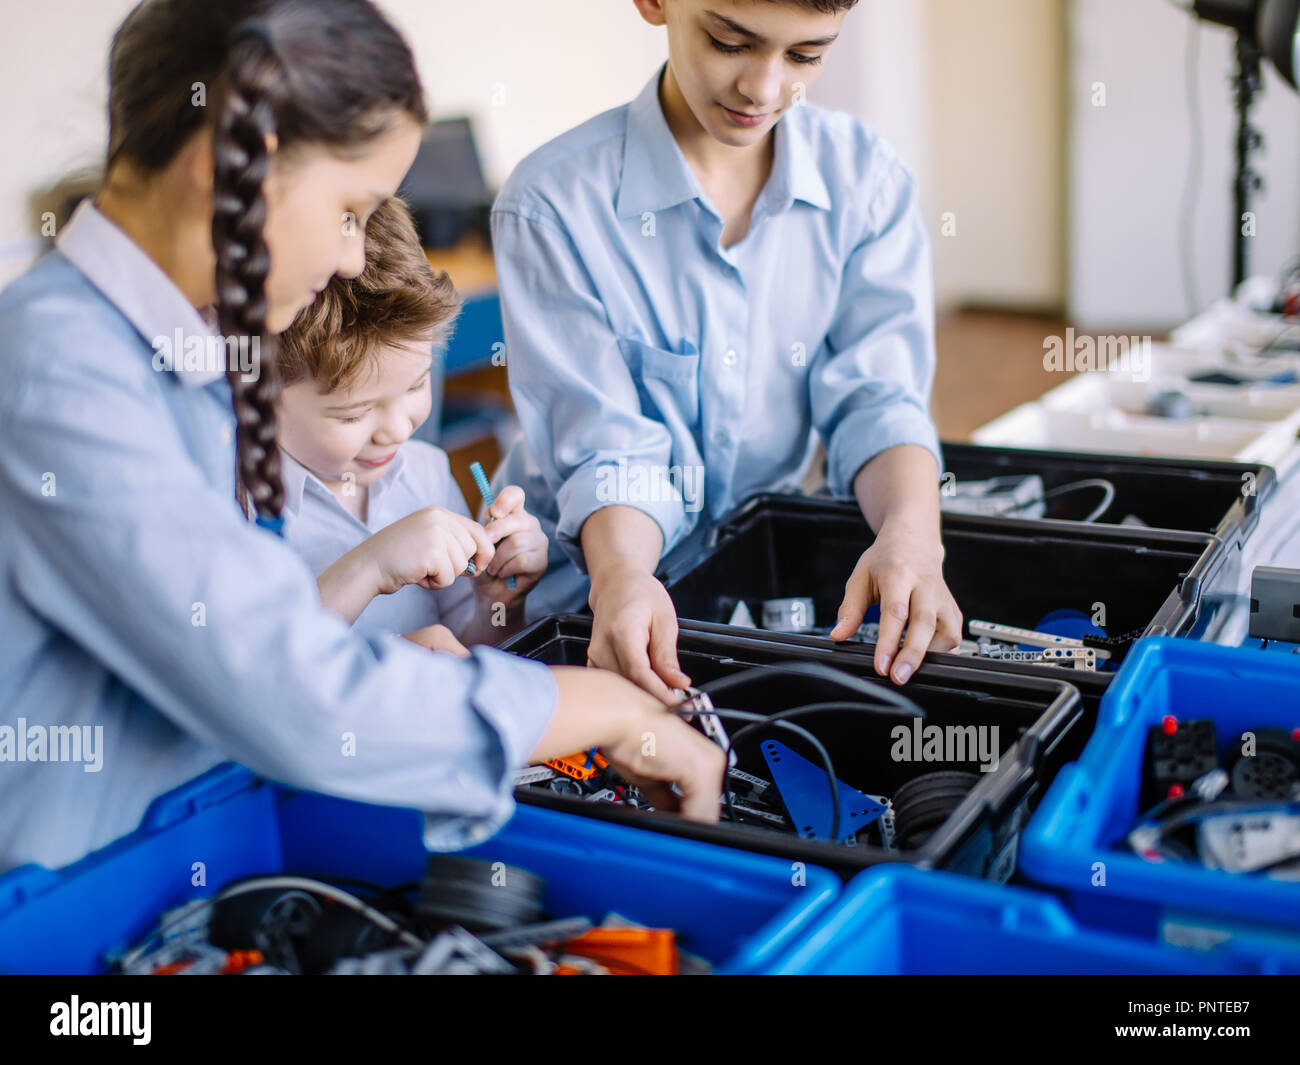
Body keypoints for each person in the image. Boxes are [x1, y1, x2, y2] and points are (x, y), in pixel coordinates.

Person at [0, 0, 722, 876]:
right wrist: (603, 707)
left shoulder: (174, 362)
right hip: (73, 900)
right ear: (234, 171)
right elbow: (293, 690)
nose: (352, 256)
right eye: (351, 209)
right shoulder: (55, 369)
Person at [491, 0, 963, 702]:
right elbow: (608, 452)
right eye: (729, 40)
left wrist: (912, 533)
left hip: (756, 591)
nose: (765, 89)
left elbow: (878, 401)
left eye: (805, 55)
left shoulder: (867, 182)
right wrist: (623, 577)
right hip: (590, 601)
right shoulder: (552, 206)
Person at [274, 196, 545, 649]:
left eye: (417, 385)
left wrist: (498, 603)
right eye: (354, 413)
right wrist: (371, 567)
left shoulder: (425, 471)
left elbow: (477, 647)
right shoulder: (238, 504)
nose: (399, 431)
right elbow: (253, 670)